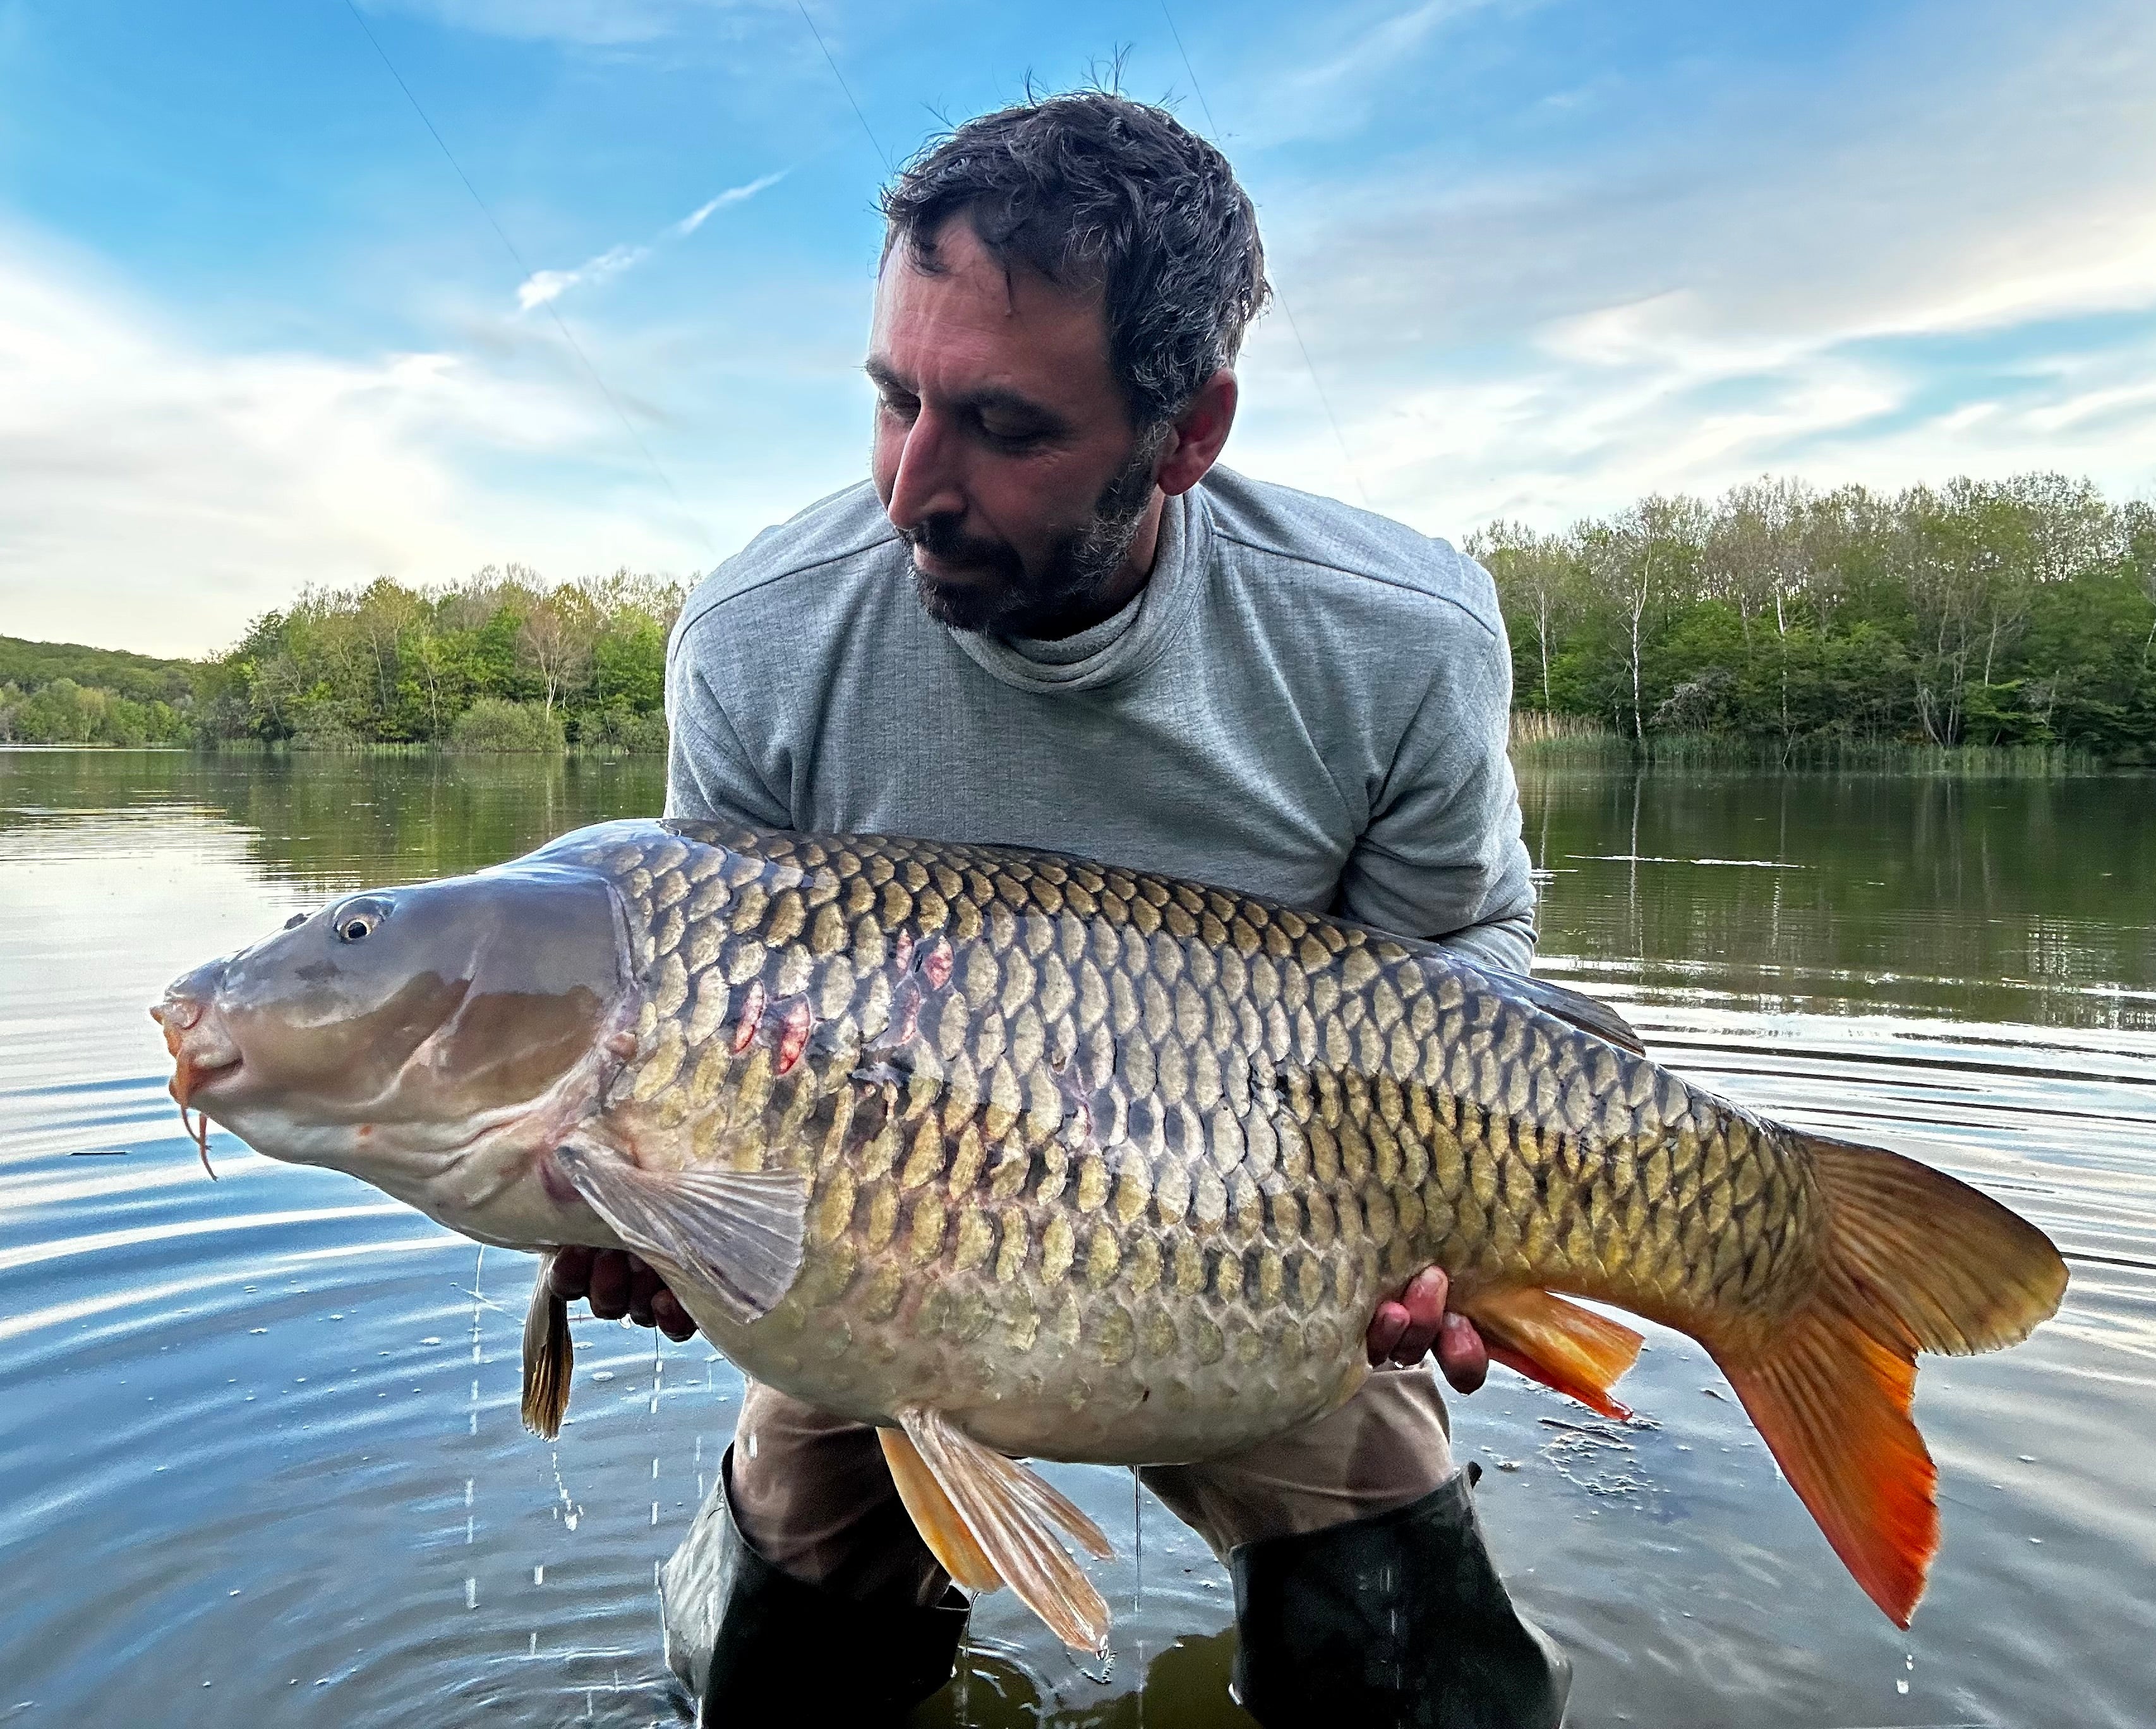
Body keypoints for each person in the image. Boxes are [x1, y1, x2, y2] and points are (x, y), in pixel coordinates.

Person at [547, 91, 1570, 1729]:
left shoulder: (1398, 638)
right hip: (876, 1263)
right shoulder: (754, 642)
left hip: (1264, 1254)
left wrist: (1450, 1228)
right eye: (894, 400)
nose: (910, 489)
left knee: (1423, 1673)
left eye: (1005, 428)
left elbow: (1469, 968)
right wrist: (656, 1215)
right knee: (765, 1677)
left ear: (1188, 432)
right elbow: (689, 1010)